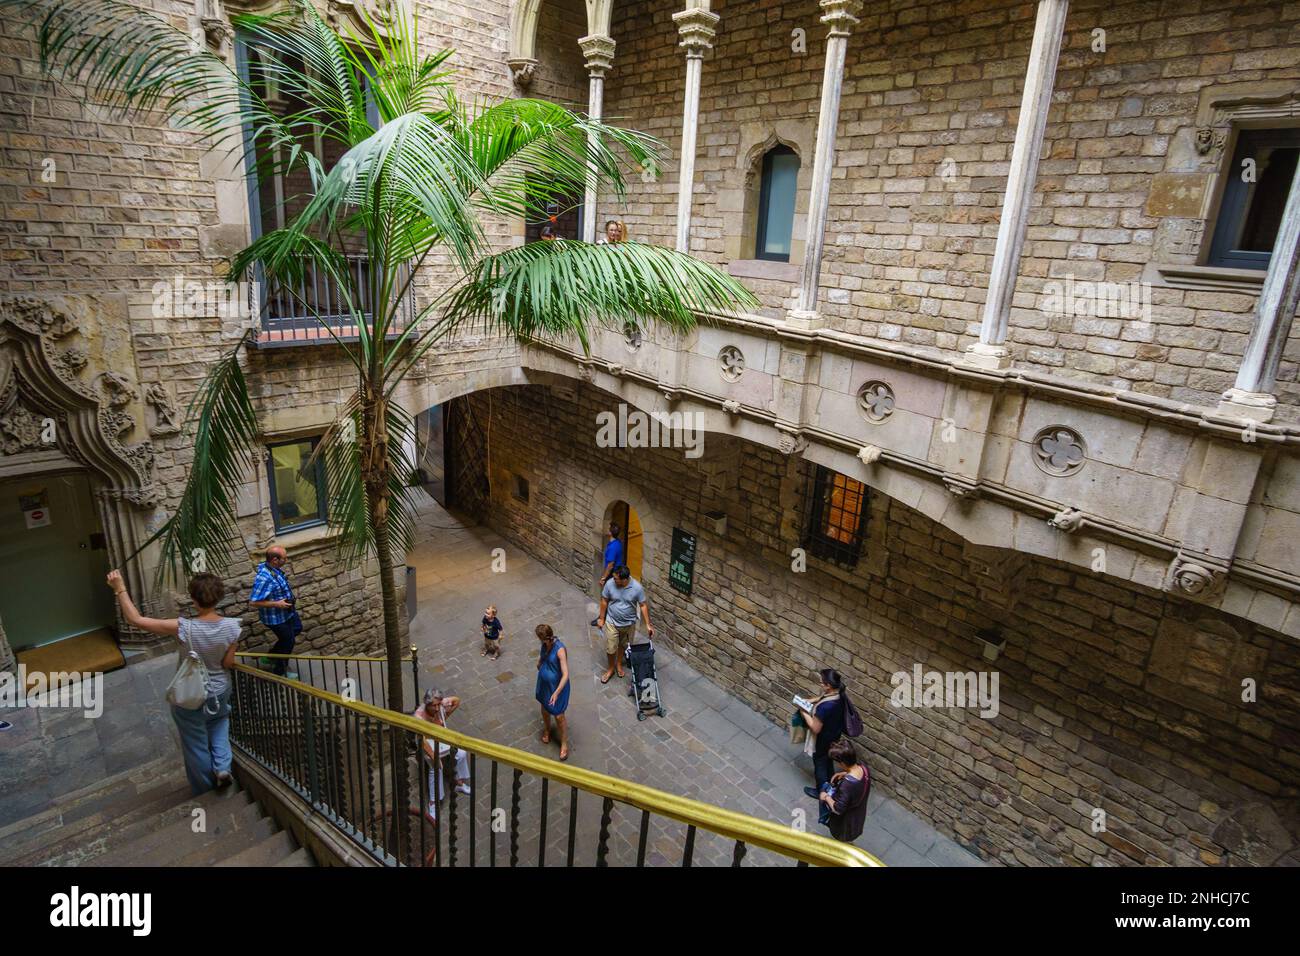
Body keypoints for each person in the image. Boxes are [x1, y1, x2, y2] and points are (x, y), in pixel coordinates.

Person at [105, 568, 241, 795]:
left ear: (194, 600)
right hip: (220, 690)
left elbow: (136, 620)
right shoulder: (233, 627)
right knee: (219, 724)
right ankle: (223, 768)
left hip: (190, 695)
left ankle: (204, 789)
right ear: (219, 597)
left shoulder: (183, 628)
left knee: (194, 741)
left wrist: (120, 588)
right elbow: (228, 663)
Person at [797, 668, 849, 823]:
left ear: (828, 685)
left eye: (822, 682)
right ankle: (831, 785)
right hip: (834, 736)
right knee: (828, 761)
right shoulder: (839, 694)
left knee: (819, 762)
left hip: (823, 739)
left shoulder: (826, 707)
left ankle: (821, 791)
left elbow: (815, 727)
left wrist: (803, 712)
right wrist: (810, 701)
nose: (820, 683)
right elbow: (822, 698)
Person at [412, 689, 471, 820]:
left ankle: (458, 783)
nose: (437, 708)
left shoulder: (441, 706)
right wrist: (435, 757)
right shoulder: (419, 716)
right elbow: (422, 741)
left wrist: (444, 705)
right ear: (426, 704)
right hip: (427, 742)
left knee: (461, 754)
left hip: (440, 736)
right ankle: (433, 802)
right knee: (435, 767)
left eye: (438, 704)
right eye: (434, 705)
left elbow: (457, 701)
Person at [595, 565, 653, 684]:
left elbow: (643, 605)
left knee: (623, 645)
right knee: (611, 648)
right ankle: (611, 668)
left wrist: (648, 624)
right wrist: (601, 618)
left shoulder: (637, 588)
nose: (613, 580)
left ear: (625, 579)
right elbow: (604, 600)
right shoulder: (610, 584)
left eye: (616, 578)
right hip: (612, 622)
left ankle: (618, 664)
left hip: (629, 624)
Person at [248, 546, 300, 679]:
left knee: (297, 628)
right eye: (284, 558)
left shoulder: (273, 569)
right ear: (275, 560)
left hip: (287, 612)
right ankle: (280, 671)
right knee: (288, 641)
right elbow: (253, 602)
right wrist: (277, 604)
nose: (287, 559)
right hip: (276, 618)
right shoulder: (264, 578)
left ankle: (271, 656)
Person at [819, 738, 870, 843]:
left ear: (842, 763)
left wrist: (826, 797)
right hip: (858, 817)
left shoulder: (847, 785)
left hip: (845, 825)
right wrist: (845, 773)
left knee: (842, 842)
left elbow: (838, 809)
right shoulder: (864, 768)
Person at [534, 624, 570, 761]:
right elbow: (542, 657)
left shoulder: (560, 650)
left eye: (540, 638)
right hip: (544, 685)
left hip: (557, 687)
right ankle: (547, 729)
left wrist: (556, 692)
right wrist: (539, 664)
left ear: (545, 638)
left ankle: (564, 744)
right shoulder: (544, 645)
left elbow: (565, 674)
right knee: (544, 708)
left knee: (559, 716)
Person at [590, 524, 623, 627]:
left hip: (612, 575)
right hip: (617, 573)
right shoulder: (618, 543)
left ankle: (601, 619)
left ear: (610, 532)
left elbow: (610, 565)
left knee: (605, 598)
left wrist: (603, 578)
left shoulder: (613, 547)